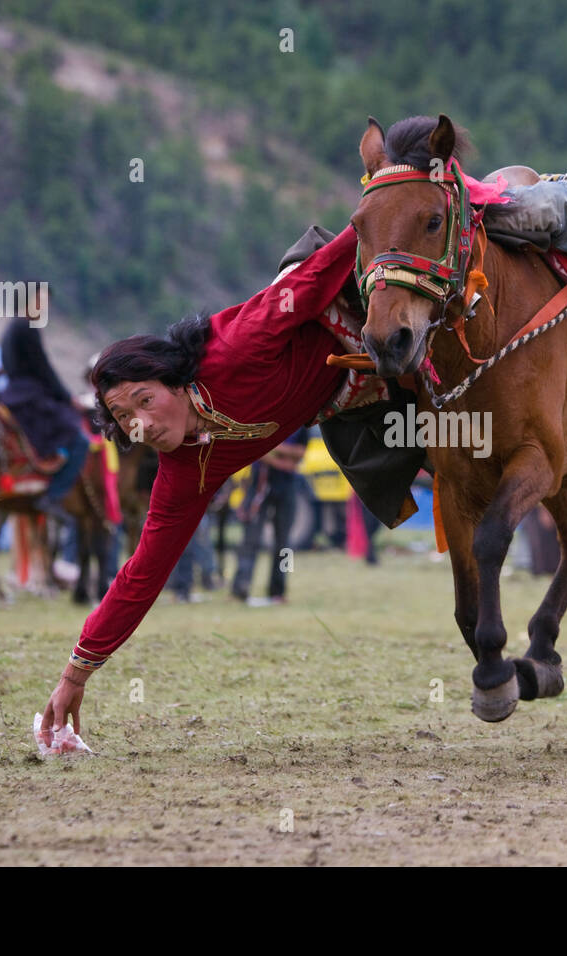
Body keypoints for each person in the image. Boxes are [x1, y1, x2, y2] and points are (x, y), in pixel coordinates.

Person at [38, 226, 360, 745]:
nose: (138, 423)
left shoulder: (238, 345)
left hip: (373, 306)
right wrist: (74, 676)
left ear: (176, 381)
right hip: (361, 400)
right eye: (122, 416)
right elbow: (141, 575)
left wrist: (390, 198)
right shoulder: (184, 473)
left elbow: (314, 276)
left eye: (145, 400)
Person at [0, 288, 88, 521]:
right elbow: (43, 370)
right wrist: (68, 399)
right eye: (40, 300)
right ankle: (53, 495)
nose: (43, 306)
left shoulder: (11, 328)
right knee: (80, 441)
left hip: (12, 395)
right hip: (30, 398)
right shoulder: (27, 328)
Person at [229, 428, 308, 604]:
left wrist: (274, 448)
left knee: (285, 543)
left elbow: (301, 453)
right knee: (250, 539)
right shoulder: (269, 415)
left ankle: (279, 590)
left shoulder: (301, 423)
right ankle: (240, 587)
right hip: (260, 484)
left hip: (287, 486)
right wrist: (284, 460)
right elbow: (256, 449)